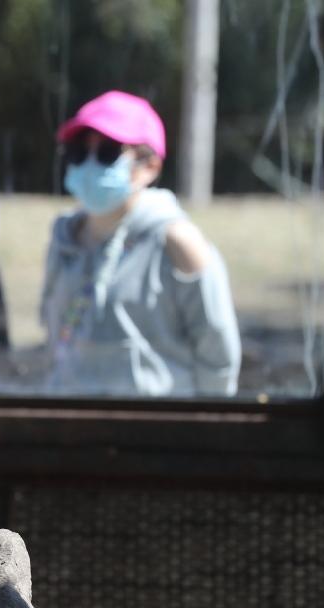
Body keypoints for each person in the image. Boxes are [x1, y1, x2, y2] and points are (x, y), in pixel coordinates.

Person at [39, 90, 241, 397]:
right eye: (79, 153)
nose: (91, 165)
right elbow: (54, 337)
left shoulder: (177, 242)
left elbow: (218, 356)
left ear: (150, 167)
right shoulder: (64, 238)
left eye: (107, 153)